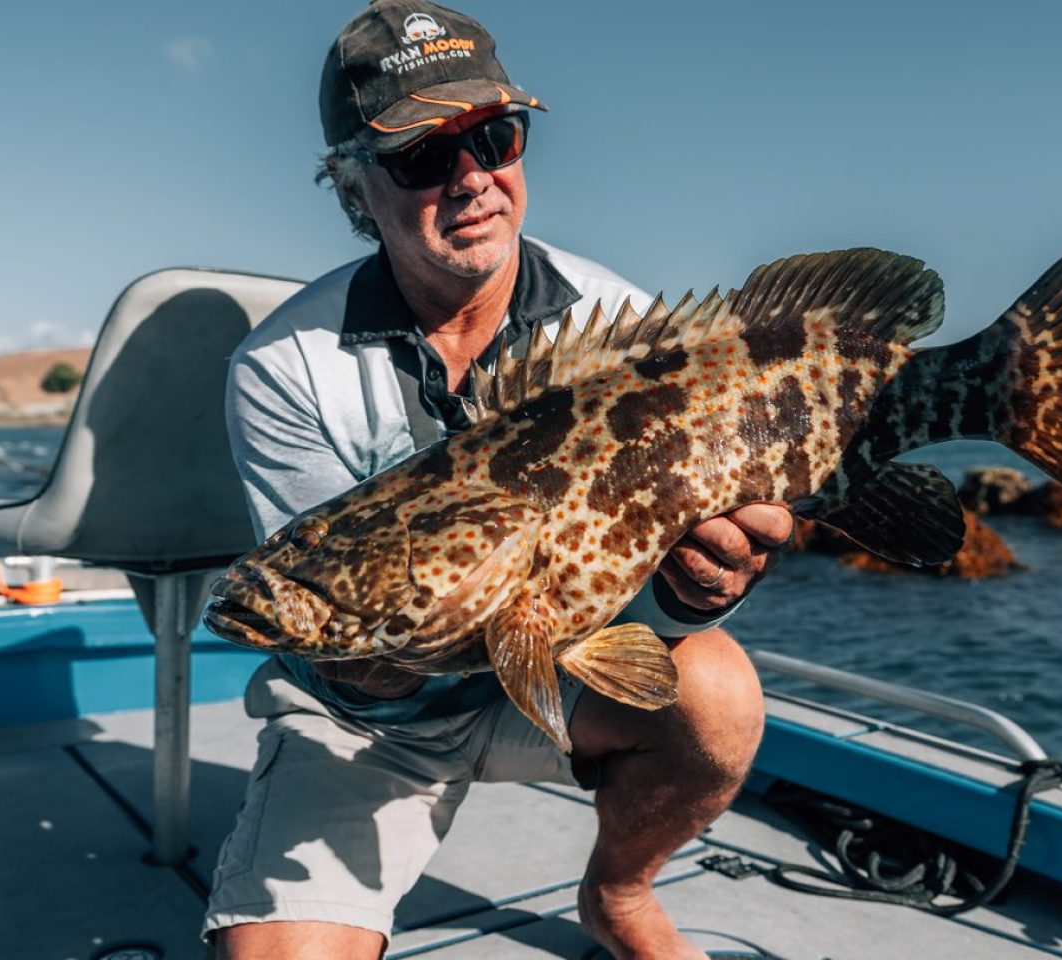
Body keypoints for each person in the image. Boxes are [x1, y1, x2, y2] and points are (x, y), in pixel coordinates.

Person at [211, 3, 793, 957]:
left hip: (560, 673)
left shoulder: (617, 321)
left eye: (495, 137)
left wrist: (694, 597)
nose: (473, 178)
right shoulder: (282, 365)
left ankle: (620, 893)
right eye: (422, 158)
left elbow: (649, 598)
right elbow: (341, 649)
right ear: (355, 185)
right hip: (365, 721)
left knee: (718, 691)